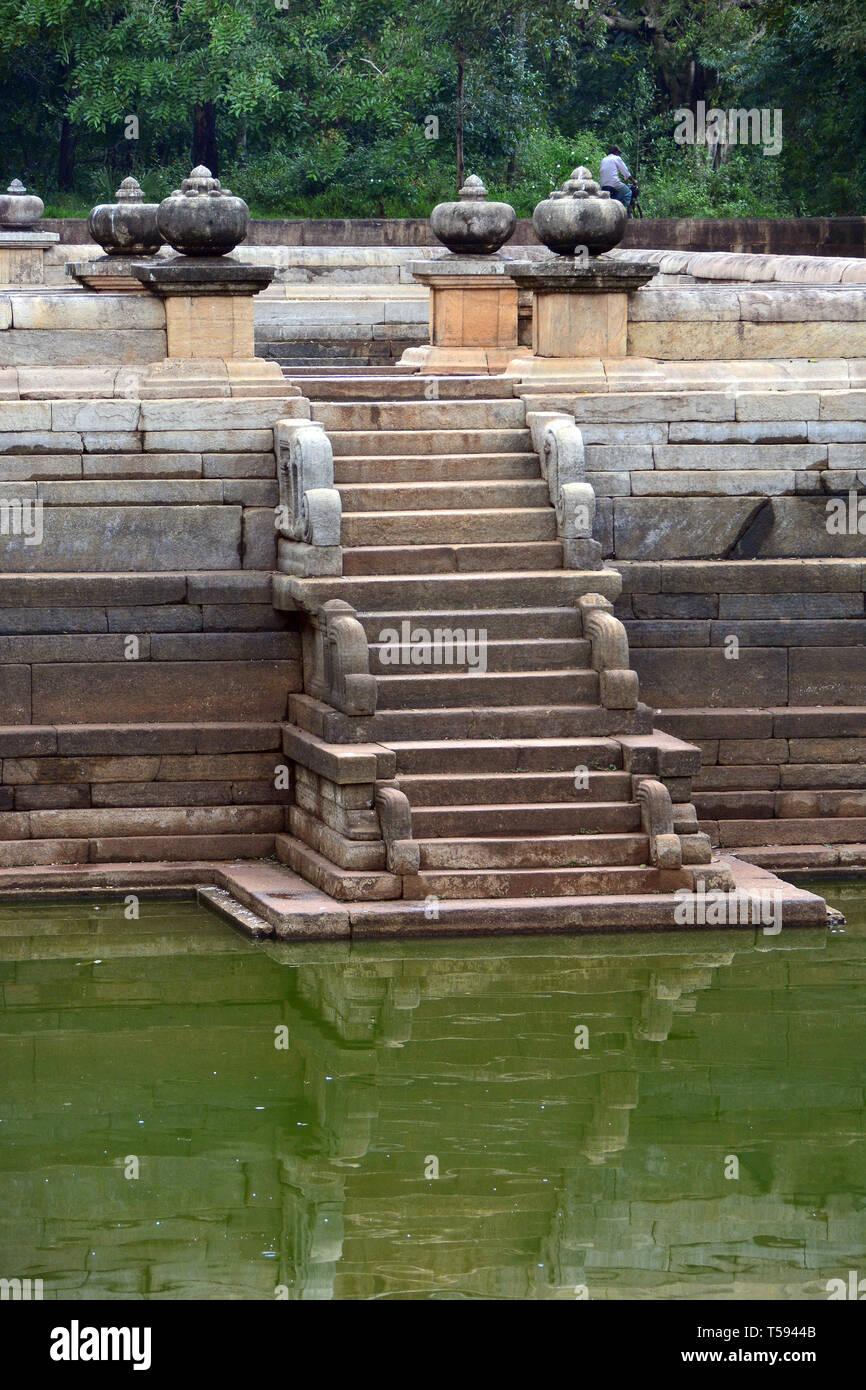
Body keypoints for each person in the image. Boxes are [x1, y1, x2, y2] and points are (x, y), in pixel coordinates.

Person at [599, 145, 633, 209]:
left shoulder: (604, 159)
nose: (618, 154)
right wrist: (633, 180)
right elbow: (625, 172)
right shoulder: (616, 158)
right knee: (628, 192)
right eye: (618, 153)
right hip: (614, 184)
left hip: (604, 185)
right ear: (615, 152)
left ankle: (614, 203)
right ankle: (620, 208)